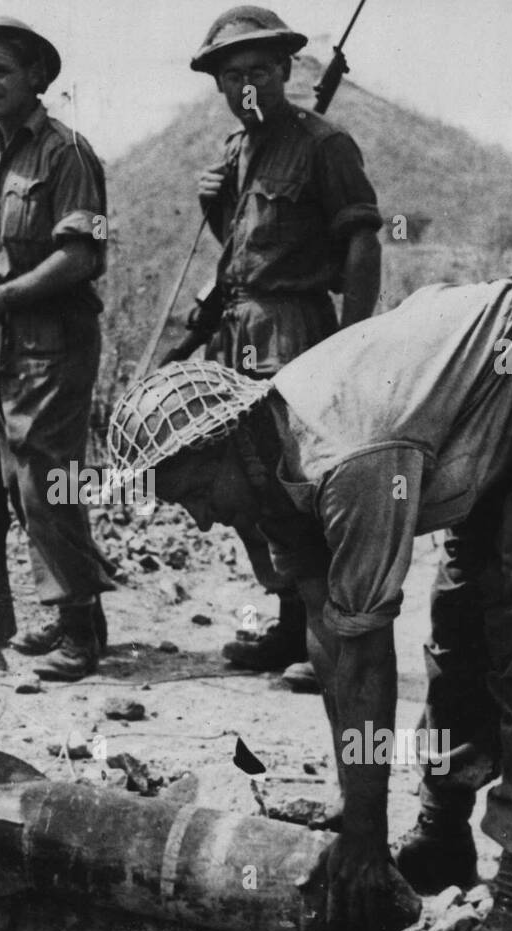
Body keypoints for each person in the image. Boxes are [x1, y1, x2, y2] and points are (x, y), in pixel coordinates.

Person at [108, 271, 512, 931]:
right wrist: (355, 814)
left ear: (223, 448)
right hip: (495, 405)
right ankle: (443, 836)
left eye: (194, 496)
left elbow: (363, 650)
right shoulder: (265, 456)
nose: (202, 518)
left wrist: (364, 833)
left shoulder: (347, 457)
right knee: (460, 618)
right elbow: (324, 630)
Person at [187, 6, 382, 689]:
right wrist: (216, 209)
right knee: (252, 487)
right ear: (218, 85)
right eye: (231, 75)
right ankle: (289, 625)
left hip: (294, 332)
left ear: (285, 72)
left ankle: (326, 641)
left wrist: (355, 343)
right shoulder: (237, 155)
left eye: (260, 72)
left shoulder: (324, 144)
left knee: (297, 484)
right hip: (237, 336)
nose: (246, 87)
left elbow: (360, 240)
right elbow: (245, 256)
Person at [0, 16, 116, 682]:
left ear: (36, 77)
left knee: (47, 478)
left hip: (54, 341)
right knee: (23, 482)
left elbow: (81, 256)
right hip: (3, 344)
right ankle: (76, 611)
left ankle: (79, 626)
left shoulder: (65, 153)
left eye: (0, 72)